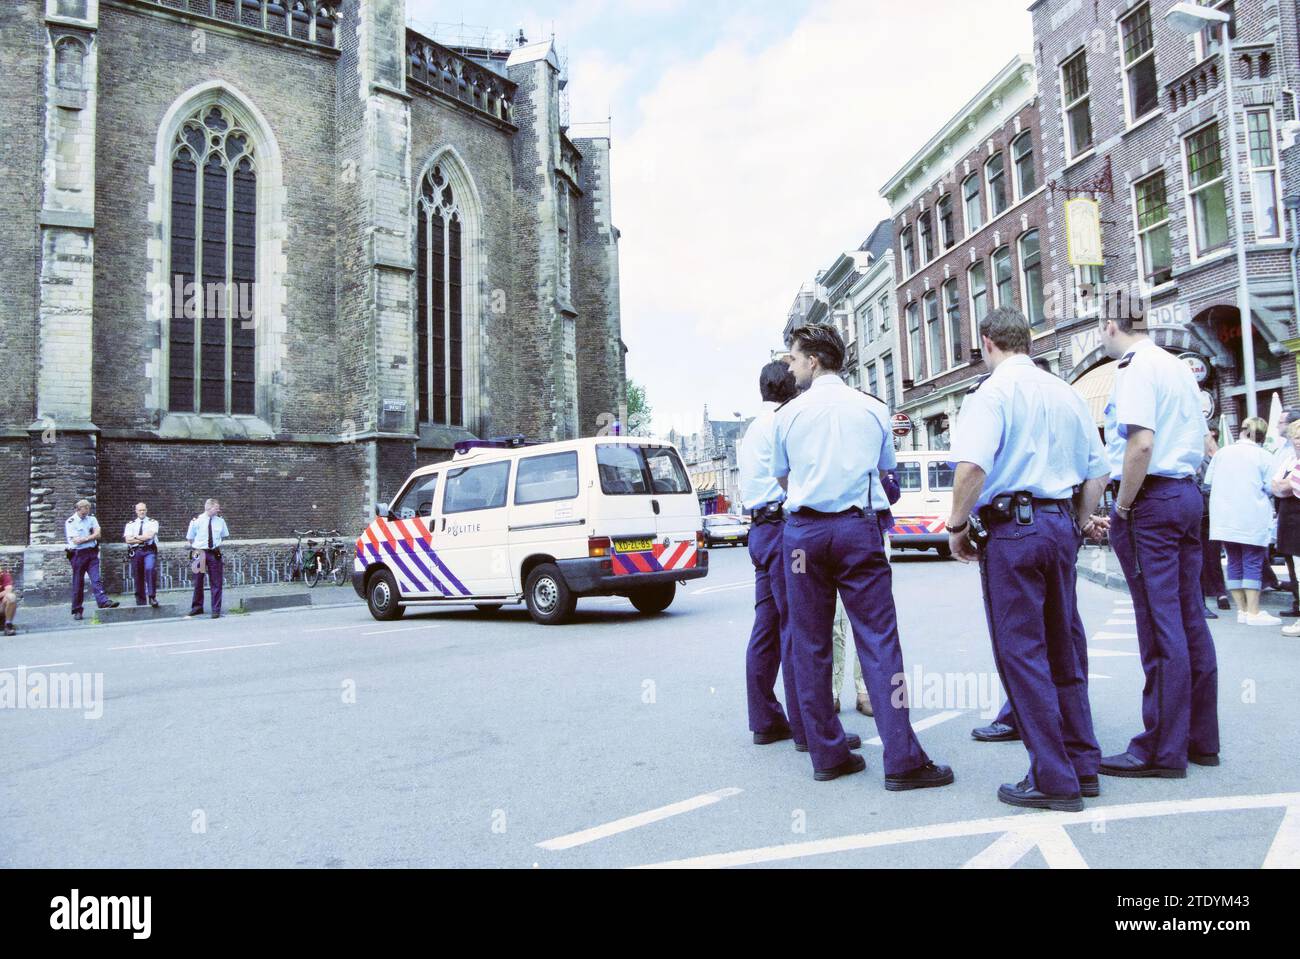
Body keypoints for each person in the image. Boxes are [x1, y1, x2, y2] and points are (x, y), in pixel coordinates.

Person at [773, 324, 952, 789]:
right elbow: (887, 471)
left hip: (803, 535)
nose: (789, 367)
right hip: (858, 530)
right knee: (878, 640)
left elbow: (782, 478)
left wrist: (809, 504)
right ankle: (902, 760)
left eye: (793, 359)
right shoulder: (873, 409)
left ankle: (828, 755)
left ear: (814, 360)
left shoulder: (787, 416)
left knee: (810, 643)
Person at [947, 308, 1108, 811]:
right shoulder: (1067, 393)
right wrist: (1079, 520)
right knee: (1065, 645)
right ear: (1030, 341)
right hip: (1059, 522)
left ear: (988, 341)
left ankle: (1053, 778)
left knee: (1022, 651)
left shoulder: (991, 393)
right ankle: (1083, 765)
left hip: (1014, 530)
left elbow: (972, 466)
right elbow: (1098, 472)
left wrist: (955, 525)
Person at [1097, 314, 1219, 779]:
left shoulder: (1134, 369)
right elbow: (1202, 439)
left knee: (1158, 621)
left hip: (1153, 500)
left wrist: (1124, 507)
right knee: (1189, 617)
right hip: (1186, 494)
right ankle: (1200, 738)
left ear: (1111, 324)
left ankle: (1160, 749)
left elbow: (1141, 445)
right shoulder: (1175, 367)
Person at [741, 361, 813, 751]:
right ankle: (808, 729)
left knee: (766, 628)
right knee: (796, 627)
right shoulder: (787, 422)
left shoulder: (753, 428)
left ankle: (765, 719)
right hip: (783, 529)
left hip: (759, 530)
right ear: (792, 388)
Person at [1205, 418, 1280, 626]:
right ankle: (1254, 612)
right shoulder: (1264, 456)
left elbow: (1208, 482)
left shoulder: (1221, 454)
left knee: (1234, 562)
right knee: (1252, 563)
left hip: (1224, 517)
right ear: (1262, 435)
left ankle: (1242, 610)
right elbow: (1271, 487)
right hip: (1252, 516)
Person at [65, 499, 120, 621]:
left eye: (87, 511)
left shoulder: (92, 519)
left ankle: (103, 602)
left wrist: (86, 538)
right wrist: (91, 537)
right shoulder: (70, 522)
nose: (86, 514)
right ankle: (77, 610)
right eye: (84, 512)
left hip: (92, 553)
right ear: (77, 510)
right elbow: (76, 541)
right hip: (77, 554)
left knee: (96, 579)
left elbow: (98, 535)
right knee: (78, 583)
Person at [1271, 420, 1300, 638]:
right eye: (1295, 437)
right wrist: (1286, 484)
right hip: (1289, 518)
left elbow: (1290, 485)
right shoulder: (1290, 460)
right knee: (1295, 568)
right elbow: (1276, 486)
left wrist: (1287, 484)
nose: (1298, 442)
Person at [1196, 430, 1230, 617]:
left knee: (1213, 555)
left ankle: (1219, 593)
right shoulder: (1199, 459)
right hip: (1203, 513)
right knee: (1202, 555)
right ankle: (1210, 597)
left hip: (1214, 513)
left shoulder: (1219, 457)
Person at [186, 498, 229, 619]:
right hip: (199, 552)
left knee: (216, 581)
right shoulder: (197, 521)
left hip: (214, 553)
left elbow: (224, 535)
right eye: (216, 508)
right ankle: (197, 607)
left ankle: (216, 609)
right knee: (198, 580)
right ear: (209, 508)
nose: (219, 509)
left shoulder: (220, 521)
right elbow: (190, 538)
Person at [124, 502, 161, 609]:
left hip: (149, 550)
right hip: (136, 551)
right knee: (138, 575)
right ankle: (140, 601)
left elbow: (149, 537)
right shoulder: (130, 524)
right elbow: (128, 540)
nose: (142, 512)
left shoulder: (153, 522)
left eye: (143, 510)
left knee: (150, 569)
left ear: (146, 510)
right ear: (136, 511)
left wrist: (135, 536)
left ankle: (152, 597)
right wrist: (142, 537)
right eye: (139, 510)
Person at [0, 567, 18, 636]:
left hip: (1, 607)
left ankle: (8, 625)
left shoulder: (5, 576)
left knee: (11, 597)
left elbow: (8, 590)